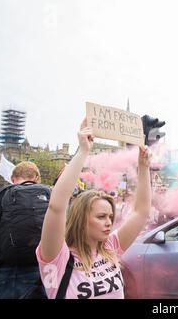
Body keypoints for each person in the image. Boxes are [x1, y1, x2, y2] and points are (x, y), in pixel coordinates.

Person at [36, 119, 151, 299]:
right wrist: (83, 151)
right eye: (101, 216)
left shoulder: (110, 247)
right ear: (81, 220)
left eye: (110, 216)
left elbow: (141, 212)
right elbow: (56, 206)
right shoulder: (57, 258)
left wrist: (143, 167)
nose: (109, 223)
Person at [0, 161, 48, 298]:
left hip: (0, 274)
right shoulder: (50, 196)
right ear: (36, 178)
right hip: (39, 274)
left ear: (12, 178)